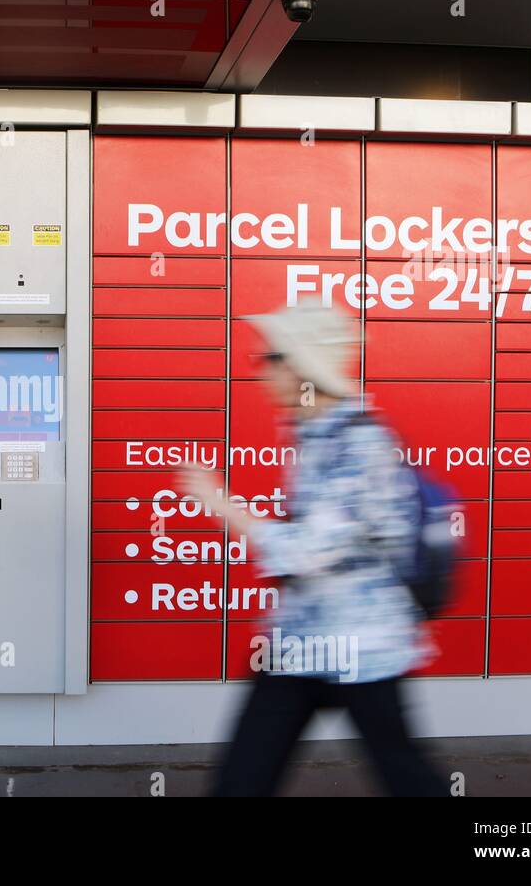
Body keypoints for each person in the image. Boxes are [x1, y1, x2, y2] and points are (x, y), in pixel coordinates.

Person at [177, 297, 448, 797]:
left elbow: (309, 549)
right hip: (300, 643)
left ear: (302, 367)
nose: (261, 370)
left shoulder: (360, 444)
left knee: (406, 777)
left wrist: (223, 505)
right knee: (242, 780)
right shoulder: (313, 434)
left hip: (361, 647)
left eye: (272, 358)